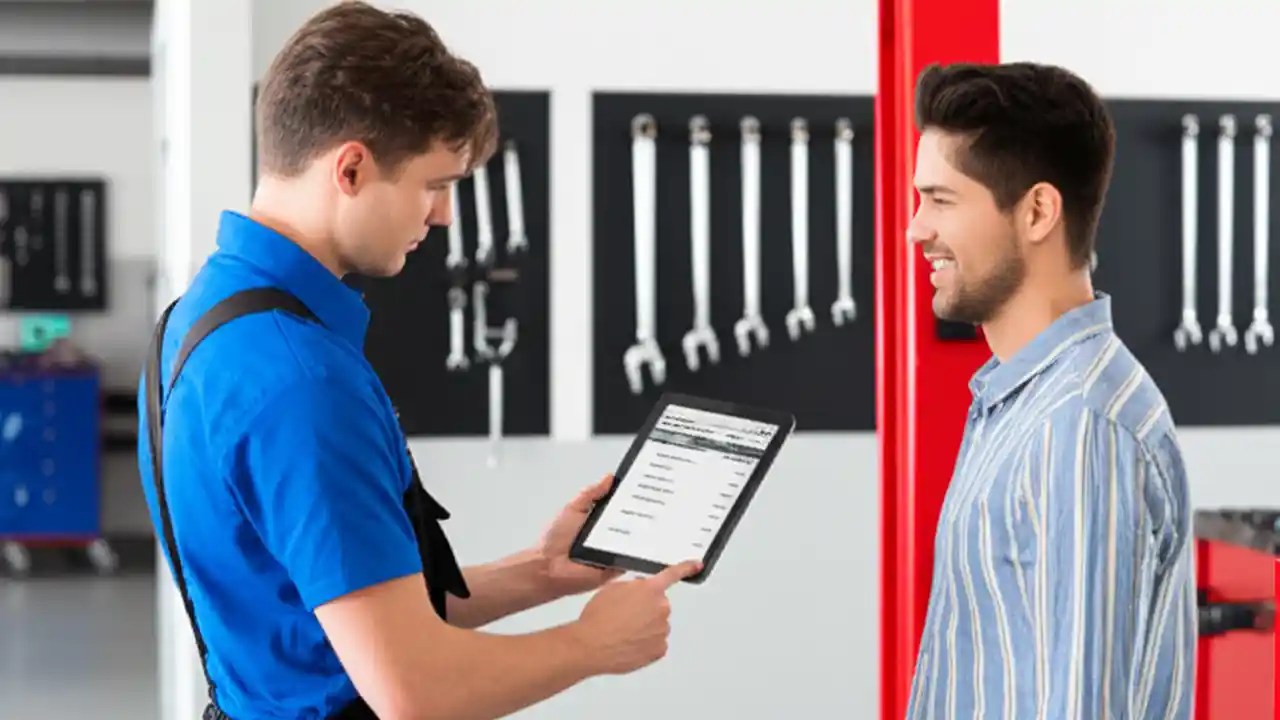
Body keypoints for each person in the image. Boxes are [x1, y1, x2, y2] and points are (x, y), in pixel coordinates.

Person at [136, 3, 701, 719]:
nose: (443, 217)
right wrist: (589, 646)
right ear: (351, 168)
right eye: (435, 185)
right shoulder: (300, 381)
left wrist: (542, 574)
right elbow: (413, 688)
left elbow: (345, 614)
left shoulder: (190, 328)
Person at [903, 62, 1196, 719]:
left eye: (941, 200)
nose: (916, 229)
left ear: (1037, 211)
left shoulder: (1083, 426)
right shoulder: (1018, 403)